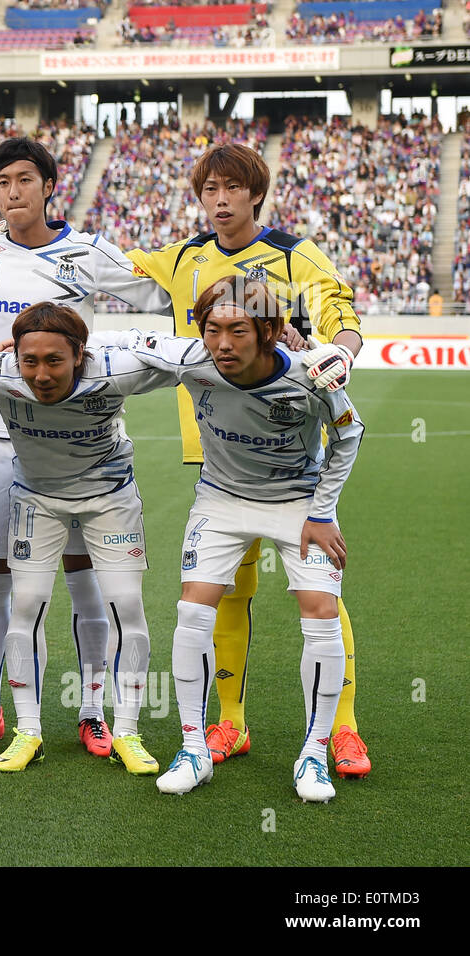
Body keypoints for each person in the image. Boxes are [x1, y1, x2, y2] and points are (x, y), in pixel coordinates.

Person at [126, 143, 371, 778]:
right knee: (230, 591)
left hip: (289, 460)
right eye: (209, 189)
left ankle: (341, 730)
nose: (221, 200)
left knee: (320, 597)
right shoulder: (182, 257)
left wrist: (338, 352)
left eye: (232, 188)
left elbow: (338, 308)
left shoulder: (293, 253)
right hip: (215, 455)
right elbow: (101, 268)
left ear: (255, 194)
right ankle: (229, 723)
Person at [0, 137, 171, 753]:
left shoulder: (86, 251)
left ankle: (92, 712)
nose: (13, 190)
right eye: (2, 180)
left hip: (77, 441)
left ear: (49, 186)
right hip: (1, 436)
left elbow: (159, 296)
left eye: (25, 179)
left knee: (84, 577)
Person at [0, 303, 183, 775]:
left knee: (125, 606)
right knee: (27, 605)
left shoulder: (115, 372)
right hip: (37, 501)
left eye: (54, 360)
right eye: (29, 361)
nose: (41, 374)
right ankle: (28, 731)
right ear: (13, 355)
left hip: (109, 500)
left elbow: (194, 357)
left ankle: (126, 731)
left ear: (79, 355)